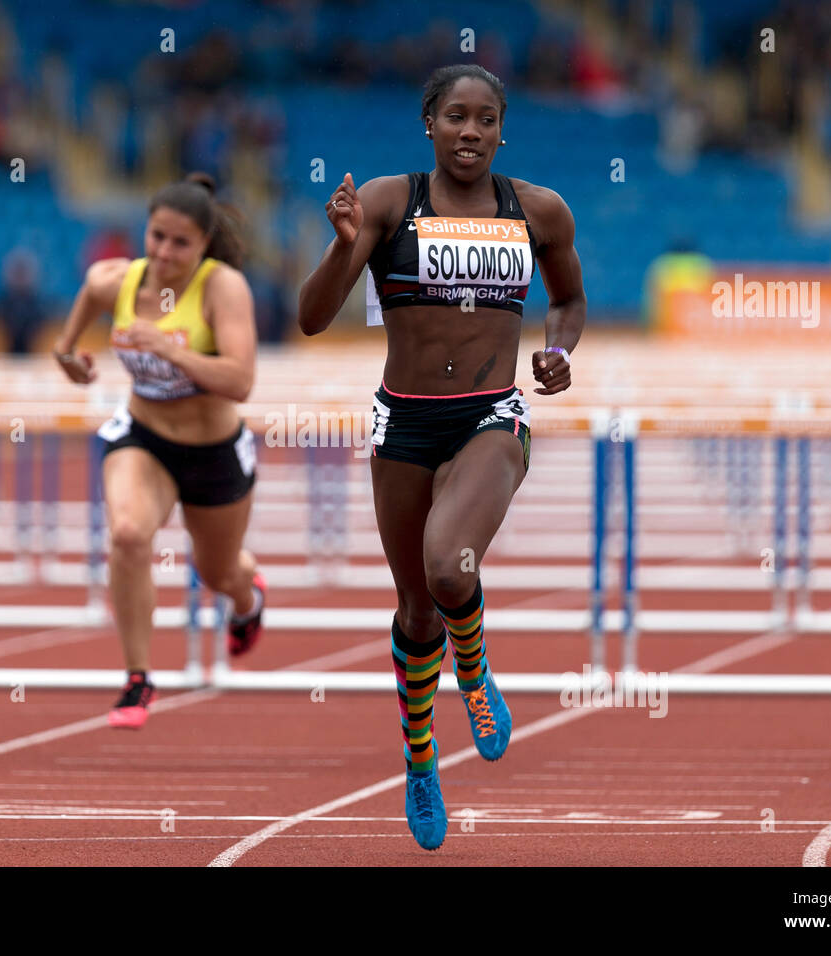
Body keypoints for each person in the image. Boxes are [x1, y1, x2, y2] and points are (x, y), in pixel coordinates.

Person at [297, 64, 586, 850]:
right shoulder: (392, 202)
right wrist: (344, 246)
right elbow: (312, 318)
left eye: (485, 119)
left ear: (501, 130)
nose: (470, 131)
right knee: (417, 609)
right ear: (429, 123)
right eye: (455, 116)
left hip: (491, 416)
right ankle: (421, 763)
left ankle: (476, 671)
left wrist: (558, 350)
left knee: (449, 569)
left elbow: (567, 301)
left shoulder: (539, 210)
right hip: (404, 425)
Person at [53, 172, 266, 729]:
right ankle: (138, 678)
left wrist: (170, 351)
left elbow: (241, 381)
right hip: (143, 438)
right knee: (127, 534)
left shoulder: (223, 289)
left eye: (180, 243)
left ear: (204, 245)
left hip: (214, 449)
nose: (165, 252)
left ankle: (248, 596)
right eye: (156, 237)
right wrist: (72, 362)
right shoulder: (112, 282)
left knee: (218, 574)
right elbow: (65, 347)